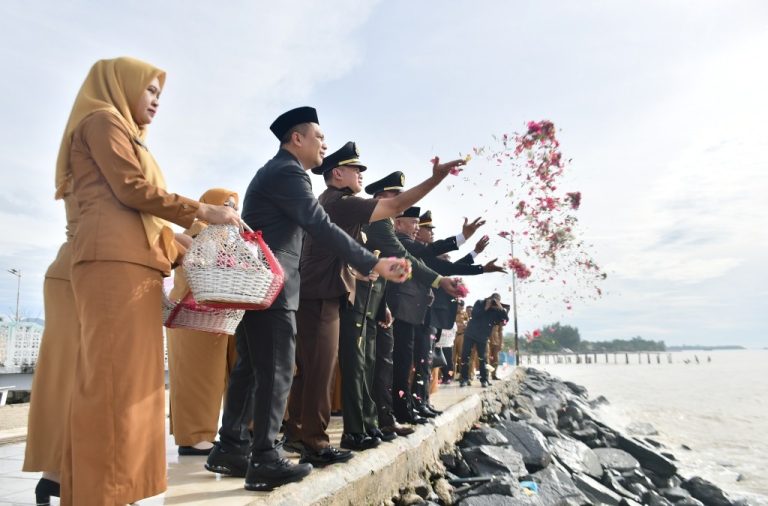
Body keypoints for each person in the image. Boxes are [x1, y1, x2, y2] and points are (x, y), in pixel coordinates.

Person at [57, 57, 240, 505]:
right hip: (112, 263)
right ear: (122, 85)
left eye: (161, 94)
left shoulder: (125, 132)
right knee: (114, 381)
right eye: (151, 90)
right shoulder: (104, 121)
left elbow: (141, 213)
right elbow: (131, 189)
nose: (157, 101)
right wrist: (203, 211)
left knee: (132, 385)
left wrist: (186, 242)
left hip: (131, 265)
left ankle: (111, 489)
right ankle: (103, 492)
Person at [206, 108, 410, 491]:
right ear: (296, 139)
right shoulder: (288, 172)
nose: (325, 145)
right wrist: (372, 262)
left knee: (250, 367)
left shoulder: (274, 170)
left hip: (261, 281)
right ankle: (265, 458)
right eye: (319, 137)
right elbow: (320, 224)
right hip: (275, 283)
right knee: (278, 368)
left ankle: (231, 446)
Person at [285, 142, 464, 465]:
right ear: (337, 174)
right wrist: (436, 178)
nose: (361, 175)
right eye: (356, 170)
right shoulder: (342, 202)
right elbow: (395, 207)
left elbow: (345, 248)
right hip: (321, 293)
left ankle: (300, 435)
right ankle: (317, 442)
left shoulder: (334, 202)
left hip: (320, 291)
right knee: (322, 371)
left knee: (315, 370)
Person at [166, 188, 241, 456]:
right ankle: (195, 436)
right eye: (226, 203)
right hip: (192, 314)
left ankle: (203, 433)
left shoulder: (228, 236)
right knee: (195, 375)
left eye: (234, 203)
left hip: (213, 314)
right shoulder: (198, 230)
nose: (232, 208)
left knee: (209, 377)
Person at [22, 196, 80, 505]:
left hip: (73, 267)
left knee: (63, 371)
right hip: (82, 270)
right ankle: (57, 474)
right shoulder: (108, 153)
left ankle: (54, 476)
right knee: (71, 371)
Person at [459, 294, 509, 388]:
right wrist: (486, 307)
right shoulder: (479, 303)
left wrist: (501, 308)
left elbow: (505, 321)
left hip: (483, 336)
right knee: (465, 356)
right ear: (489, 298)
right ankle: (464, 379)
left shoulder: (496, 309)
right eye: (493, 300)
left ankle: (484, 380)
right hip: (470, 334)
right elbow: (474, 315)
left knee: (483, 359)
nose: (494, 302)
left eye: (497, 301)